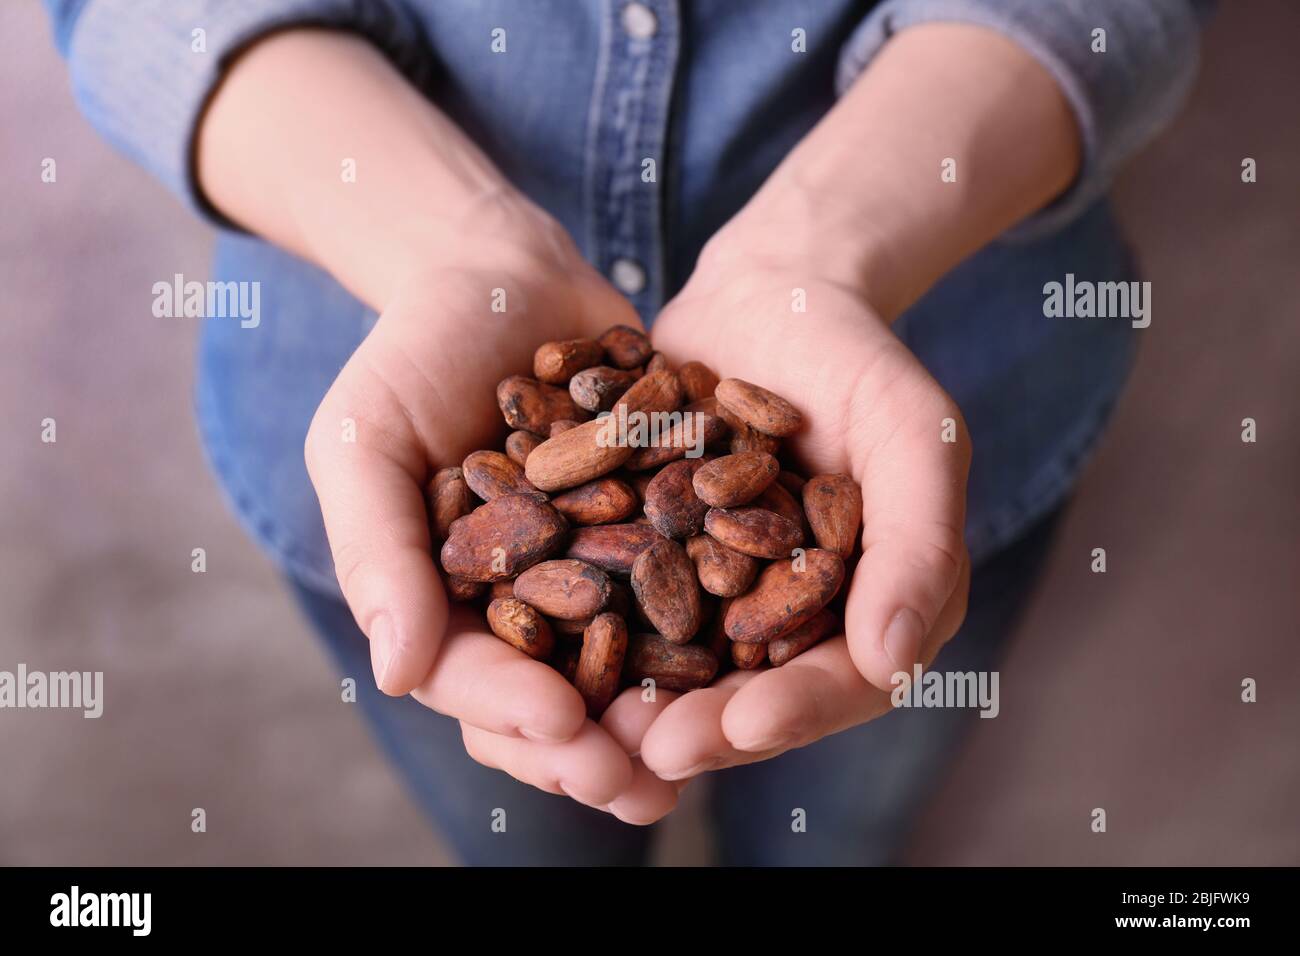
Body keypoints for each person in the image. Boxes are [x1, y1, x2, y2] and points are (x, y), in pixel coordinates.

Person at [44, 0, 1209, 864]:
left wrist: (831, 248)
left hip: (944, 399)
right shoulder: (537, 488)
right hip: (362, 376)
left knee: (835, 832)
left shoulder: (727, 489)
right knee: (528, 832)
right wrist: (450, 250)